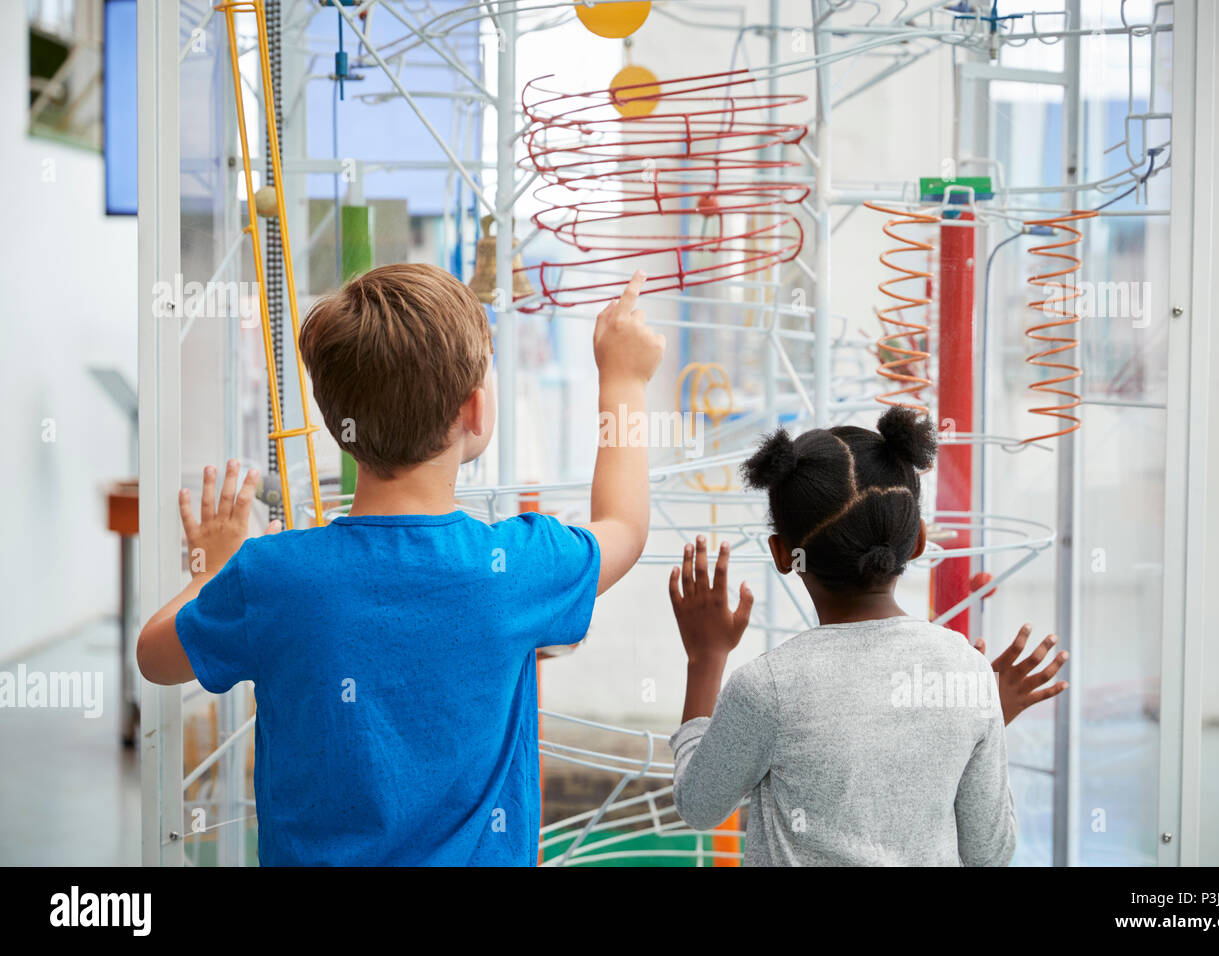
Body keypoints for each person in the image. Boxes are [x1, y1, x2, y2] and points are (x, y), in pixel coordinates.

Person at [137, 265, 664, 865]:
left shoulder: (273, 576)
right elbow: (624, 526)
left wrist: (211, 569)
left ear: (338, 421)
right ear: (474, 410)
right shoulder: (514, 570)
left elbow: (154, 657)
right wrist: (623, 380)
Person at [667, 406, 1068, 866]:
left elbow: (699, 806)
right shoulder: (968, 674)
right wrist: (985, 717)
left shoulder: (768, 688)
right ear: (917, 540)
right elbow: (989, 855)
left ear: (782, 553)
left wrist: (705, 659)